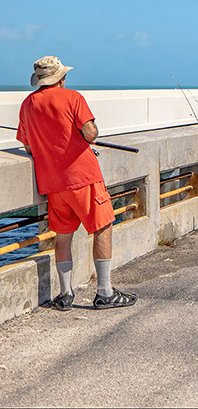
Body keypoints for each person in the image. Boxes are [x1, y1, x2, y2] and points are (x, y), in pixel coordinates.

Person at [16, 56, 137, 311]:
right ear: (61, 78)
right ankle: (104, 292)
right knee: (102, 227)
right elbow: (91, 133)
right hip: (82, 177)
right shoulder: (73, 97)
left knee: (63, 236)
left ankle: (65, 293)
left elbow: (27, 146)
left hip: (52, 183)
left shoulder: (27, 105)